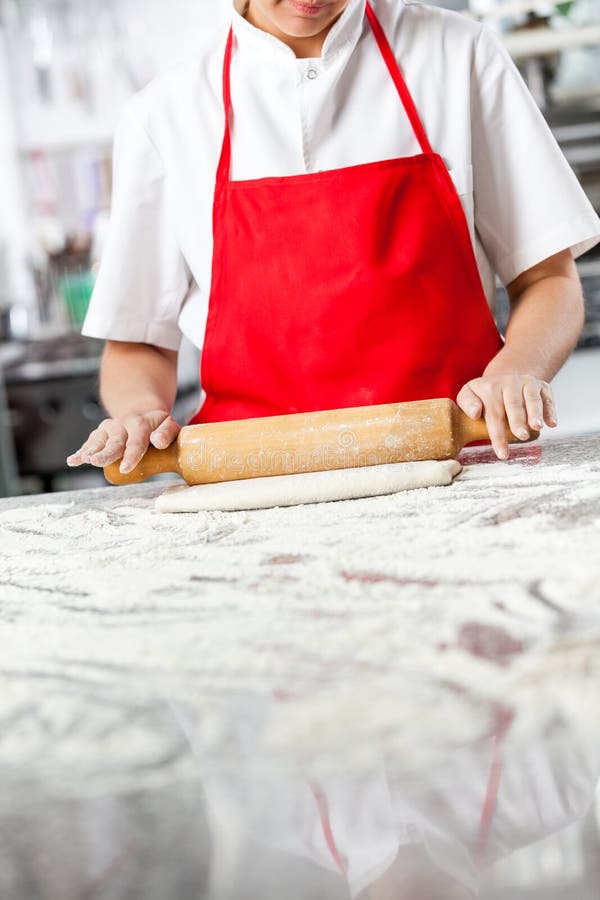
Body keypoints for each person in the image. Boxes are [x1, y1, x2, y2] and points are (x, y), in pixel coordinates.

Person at [67, 0, 600, 476]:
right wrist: (138, 413)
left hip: (465, 464)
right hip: (259, 491)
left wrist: (516, 371)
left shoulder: (457, 55)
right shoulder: (165, 115)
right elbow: (138, 341)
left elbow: (548, 278)